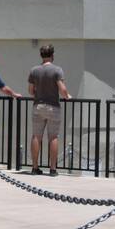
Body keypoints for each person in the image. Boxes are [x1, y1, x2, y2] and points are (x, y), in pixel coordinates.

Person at [28, 43, 70, 176]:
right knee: (53, 137)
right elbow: (62, 89)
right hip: (53, 107)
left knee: (36, 136)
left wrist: (38, 95)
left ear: (41, 55)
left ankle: (35, 167)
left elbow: (30, 90)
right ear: (52, 55)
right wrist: (67, 96)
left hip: (38, 106)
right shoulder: (57, 70)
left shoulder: (34, 70)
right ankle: (52, 169)